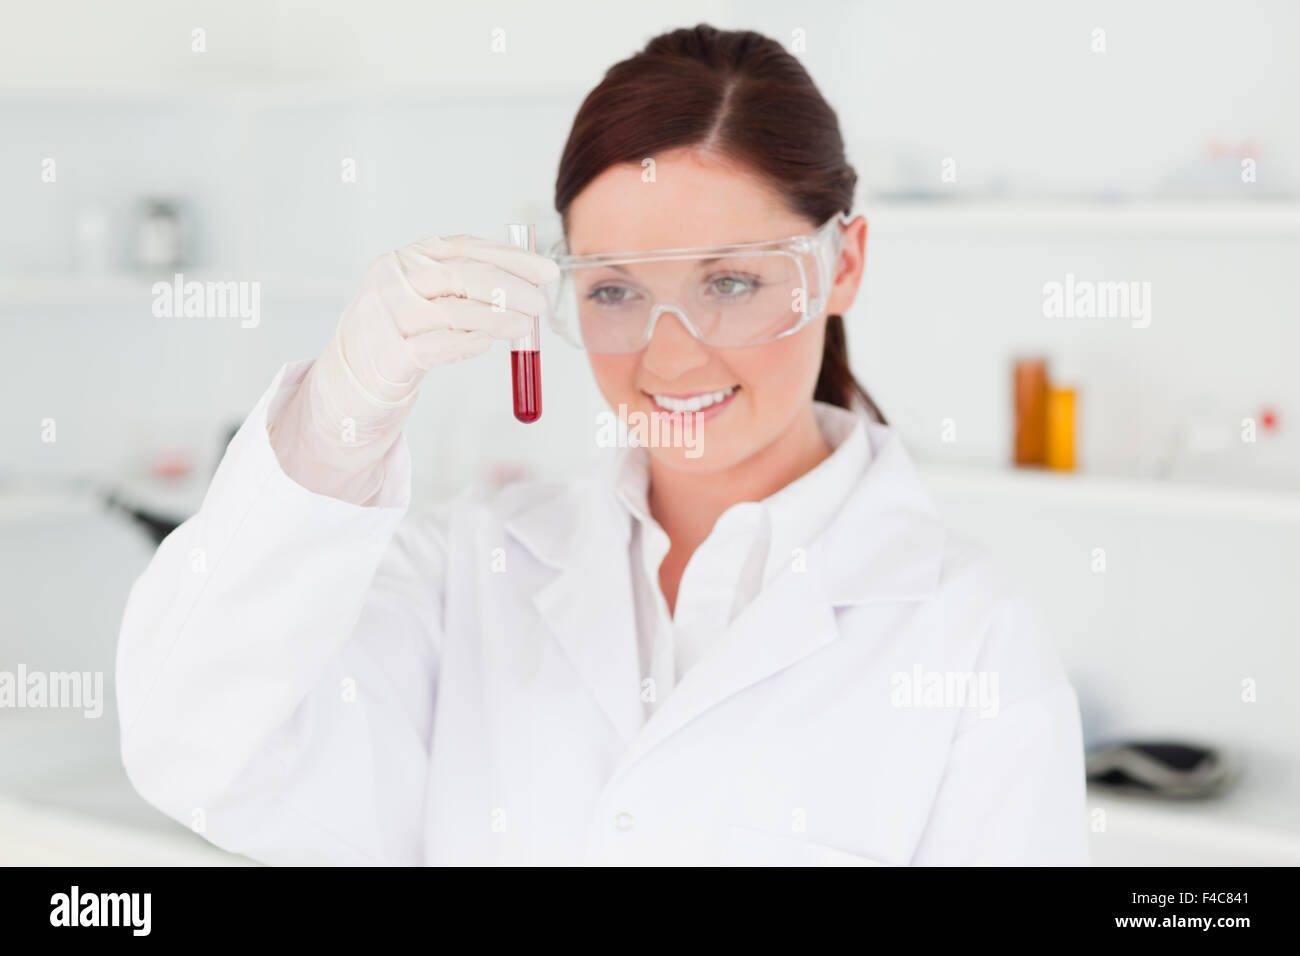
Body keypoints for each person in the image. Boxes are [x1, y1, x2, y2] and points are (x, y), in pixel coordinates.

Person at [116, 24, 1087, 866]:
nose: (669, 353)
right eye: (615, 289)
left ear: (844, 265)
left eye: (733, 283)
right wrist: (341, 409)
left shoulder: (968, 631)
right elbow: (193, 752)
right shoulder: (473, 567)